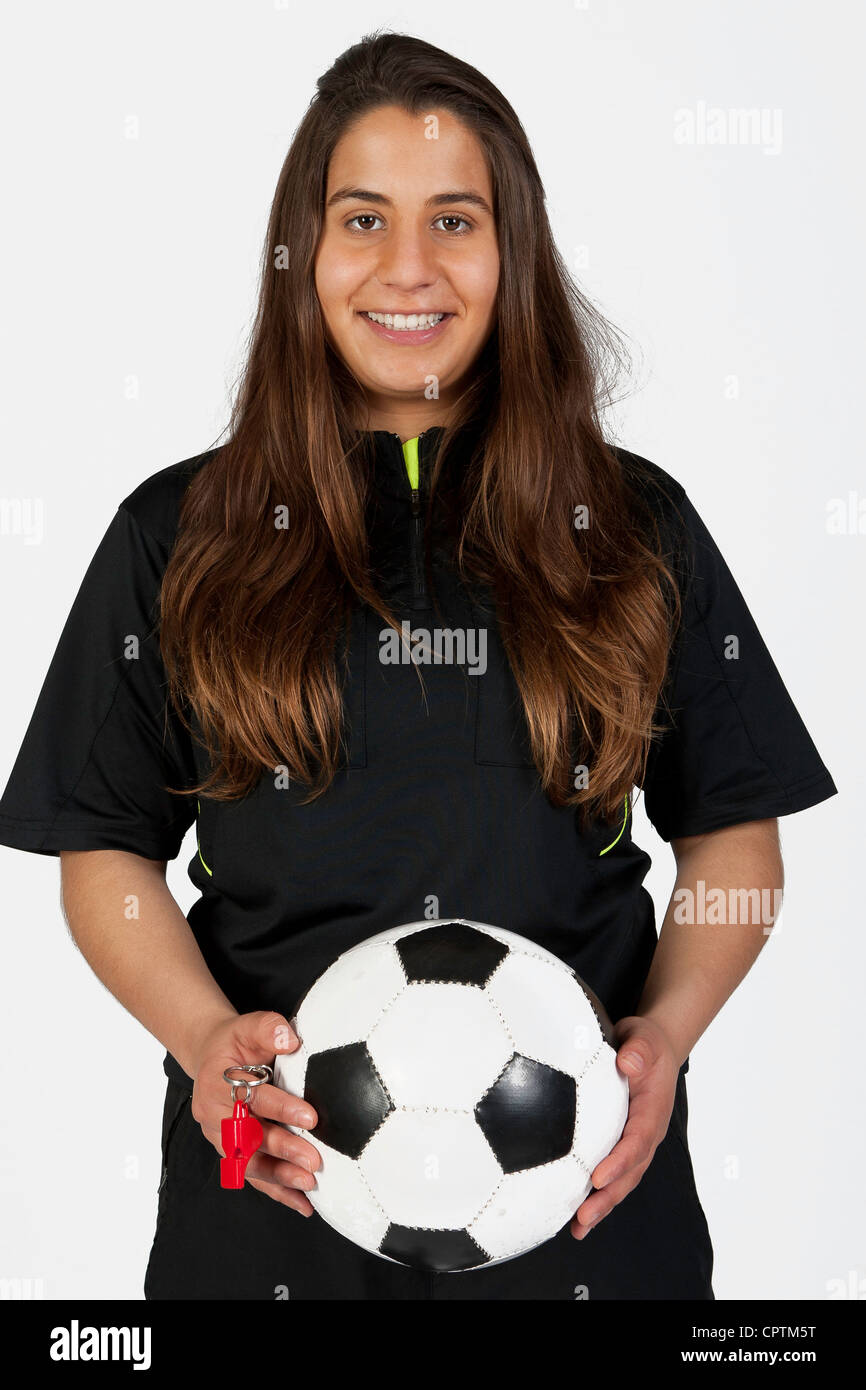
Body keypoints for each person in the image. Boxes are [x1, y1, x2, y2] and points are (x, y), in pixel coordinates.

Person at [0, 32, 836, 1301]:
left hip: (589, 1228)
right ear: (303, 252)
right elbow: (101, 851)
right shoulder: (178, 535)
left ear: (515, 254)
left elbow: (733, 836)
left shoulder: (630, 524)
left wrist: (662, 1035)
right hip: (268, 1227)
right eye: (361, 218)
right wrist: (200, 1038)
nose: (407, 268)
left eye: (455, 219)